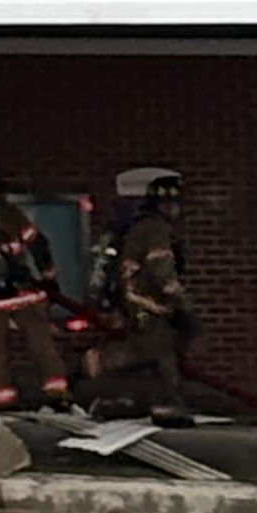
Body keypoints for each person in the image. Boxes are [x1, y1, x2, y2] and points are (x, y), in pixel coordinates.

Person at [0, 167, 71, 411]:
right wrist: (49, 277)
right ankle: (57, 392)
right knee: (42, 345)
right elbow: (38, 244)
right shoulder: (11, 215)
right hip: (24, 293)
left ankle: (5, 399)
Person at [86, 166, 194, 421]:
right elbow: (160, 266)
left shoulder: (144, 226)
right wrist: (176, 296)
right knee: (160, 347)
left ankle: (128, 398)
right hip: (147, 301)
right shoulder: (155, 229)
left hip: (139, 299)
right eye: (174, 204)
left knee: (163, 345)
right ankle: (166, 404)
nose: (177, 210)